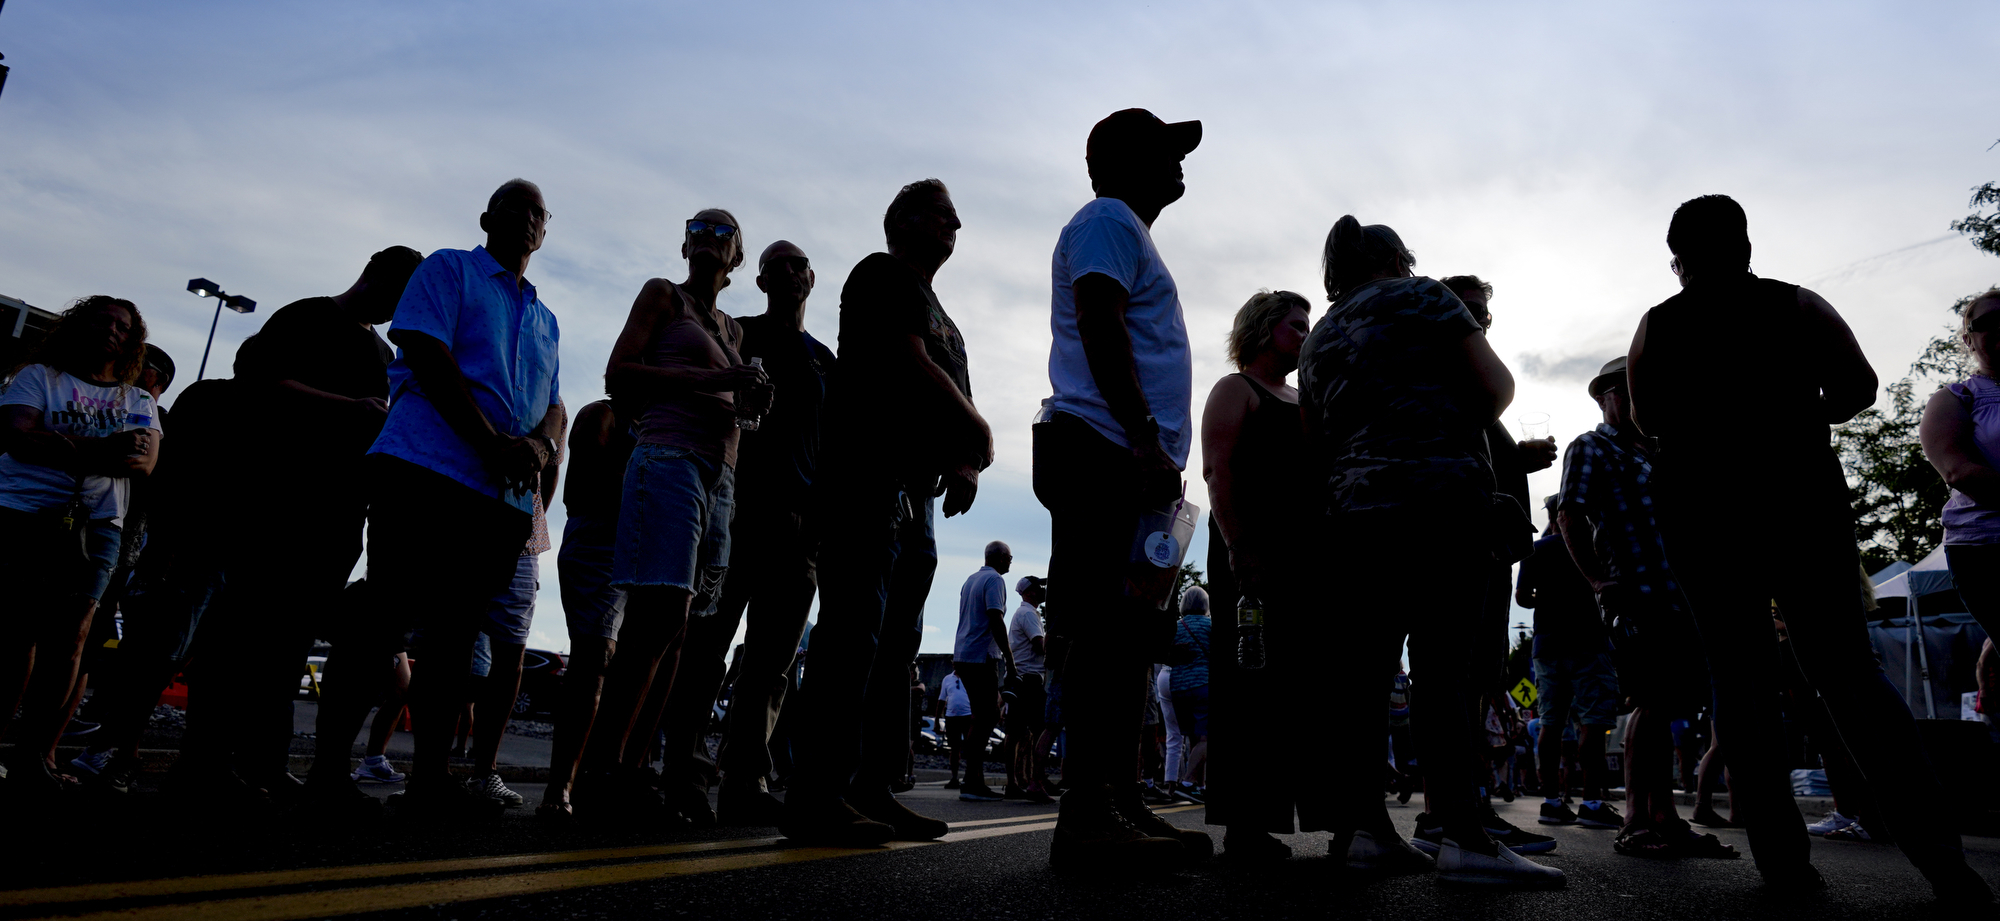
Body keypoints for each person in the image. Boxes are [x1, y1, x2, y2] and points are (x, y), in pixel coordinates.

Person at [1629, 194, 1988, 901]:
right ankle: (1942, 859)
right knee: (1849, 671)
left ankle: (1783, 863)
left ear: (1679, 259)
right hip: (1797, 492)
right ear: (1747, 245)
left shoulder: (1656, 325)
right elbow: (1858, 386)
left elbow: (1646, 419)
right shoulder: (1797, 305)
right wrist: (1793, 414)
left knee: (1738, 675)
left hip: (1699, 505)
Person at [1298, 216, 1561, 886]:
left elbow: (1316, 439)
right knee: (1444, 670)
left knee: (1368, 675)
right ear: (1395, 260)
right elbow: (1496, 388)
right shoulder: (1423, 297)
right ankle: (1465, 838)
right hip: (1441, 501)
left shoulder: (1320, 336)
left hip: (1354, 515)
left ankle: (1366, 832)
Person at [304, 180, 564, 819]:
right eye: (514, 205)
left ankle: (428, 779)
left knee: (454, 641)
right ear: (486, 217)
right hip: (426, 469)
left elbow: (554, 405)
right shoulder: (450, 269)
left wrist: (538, 449)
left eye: (538, 212)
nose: (527, 218)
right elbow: (423, 348)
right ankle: (330, 769)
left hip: (496, 496)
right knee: (383, 617)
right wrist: (492, 440)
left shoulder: (545, 317)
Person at [780, 179, 991, 846]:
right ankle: (816, 792)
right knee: (852, 632)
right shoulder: (882, 275)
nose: (954, 222)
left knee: (895, 644)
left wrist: (961, 459)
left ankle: (872, 787)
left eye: (956, 216)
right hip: (862, 474)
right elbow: (907, 358)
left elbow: (945, 381)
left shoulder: (945, 315)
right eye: (940, 212)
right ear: (900, 220)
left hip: (914, 494)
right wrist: (974, 428)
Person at [1034, 108, 1213, 870]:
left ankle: (1121, 798)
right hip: (1105, 449)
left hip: (1131, 465)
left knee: (1132, 635)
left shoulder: (1129, 231)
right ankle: (1085, 814)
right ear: (1122, 161)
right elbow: (1100, 323)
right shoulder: (1108, 219)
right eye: (1167, 152)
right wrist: (1143, 433)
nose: (1180, 165)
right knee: (1105, 632)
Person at [185, 245, 424, 802]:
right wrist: (351, 409)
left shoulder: (381, 350)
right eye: (398, 292)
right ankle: (203, 764)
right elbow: (260, 385)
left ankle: (263, 763)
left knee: (287, 645)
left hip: (336, 515)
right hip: (273, 503)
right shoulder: (305, 317)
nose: (399, 308)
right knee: (239, 633)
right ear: (373, 271)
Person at [584, 207, 767, 823]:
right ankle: (600, 773)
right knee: (656, 615)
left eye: (725, 231)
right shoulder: (665, 297)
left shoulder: (733, 331)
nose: (710, 237)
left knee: (684, 627)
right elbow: (619, 374)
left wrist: (746, 396)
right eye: (701, 228)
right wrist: (708, 380)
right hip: (669, 458)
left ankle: (636, 772)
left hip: (722, 479)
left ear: (738, 256)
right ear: (685, 242)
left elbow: (736, 402)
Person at [1558, 357, 1733, 858]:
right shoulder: (1593, 446)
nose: (1637, 400)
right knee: (1652, 699)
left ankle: (1665, 818)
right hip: (1635, 592)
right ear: (1605, 397)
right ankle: (1636, 819)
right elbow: (1570, 511)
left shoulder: (1659, 453)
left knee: (1672, 701)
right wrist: (1596, 579)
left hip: (1681, 596)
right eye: (1627, 390)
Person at [0, 295, 160, 791]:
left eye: (123, 326)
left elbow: (142, 466)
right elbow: (16, 437)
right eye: (103, 320)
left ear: (132, 340)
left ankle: (32, 758)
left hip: (98, 526)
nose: (112, 331)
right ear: (79, 324)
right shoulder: (38, 377)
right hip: (24, 515)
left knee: (69, 643)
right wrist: (103, 450)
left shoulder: (138, 400)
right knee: (12, 637)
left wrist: (60, 443)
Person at [704, 240, 837, 825]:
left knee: (772, 663)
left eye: (798, 263)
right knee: (707, 646)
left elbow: (834, 450)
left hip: (800, 529)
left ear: (811, 278)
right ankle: (681, 768)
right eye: (775, 265)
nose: (789, 271)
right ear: (759, 282)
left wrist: (819, 518)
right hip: (736, 518)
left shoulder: (824, 361)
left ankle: (745, 779)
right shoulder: (739, 335)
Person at [1199, 287, 1326, 862]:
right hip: (1249, 557)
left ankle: (1286, 816)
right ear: (1263, 329)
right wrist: (1238, 546)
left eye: (1307, 326)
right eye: (1295, 326)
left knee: (1295, 685)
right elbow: (1217, 471)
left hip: (1302, 561)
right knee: (1247, 683)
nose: (1304, 334)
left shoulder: (1303, 397)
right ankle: (1243, 826)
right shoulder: (1235, 389)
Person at [539, 397, 635, 820]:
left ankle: (605, 776)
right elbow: (581, 490)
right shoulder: (603, 415)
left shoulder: (660, 425)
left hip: (642, 542)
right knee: (595, 656)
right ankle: (560, 787)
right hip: (600, 537)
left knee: (634, 662)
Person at [465, 402, 564, 807]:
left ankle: (483, 771)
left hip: (520, 521)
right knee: (452, 634)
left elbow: (555, 463)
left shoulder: (553, 400)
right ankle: (430, 771)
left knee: (511, 650)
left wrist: (533, 516)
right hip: (467, 504)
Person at [1513, 498, 1620, 828]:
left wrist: (1545, 598)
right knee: (1592, 721)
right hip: (1587, 642)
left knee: (1551, 722)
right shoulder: (1594, 547)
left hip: (1547, 645)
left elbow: (1521, 598)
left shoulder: (1536, 549)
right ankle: (1590, 802)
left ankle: (1551, 802)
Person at [953, 541, 1018, 802]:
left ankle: (972, 779)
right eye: (1009, 557)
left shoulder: (971, 579)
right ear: (1000, 558)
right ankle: (972, 782)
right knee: (987, 716)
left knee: (980, 717)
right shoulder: (994, 581)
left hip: (963, 653)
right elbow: (995, 618)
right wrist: (1010, 661)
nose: (1011, 561)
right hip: (981, 656)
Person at [1006, 575, 1053, 803]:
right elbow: (1040, 645)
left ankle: (1014, 782)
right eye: (1040, 587)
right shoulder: (1028, 614)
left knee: (1015, 732)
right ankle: (1036, 780)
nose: (1044, 590)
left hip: (1021, 678)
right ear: (1030, 592)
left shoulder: (1022, 613)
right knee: (1040, 730)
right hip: (1030, 680)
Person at [1166, 587, 1212, 798]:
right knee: (1206, 738)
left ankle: (1199, 787)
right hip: (1203, 685)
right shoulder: (1210, 625)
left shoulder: (1175, 628)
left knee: (1194, 739)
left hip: (1178, 688)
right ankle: (1185, 783)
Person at [938, 665, 972, 789]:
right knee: (954, 748)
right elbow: (942, 699)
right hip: (952, 717)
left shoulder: (970, 677)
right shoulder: (947, 679)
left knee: (970, 748)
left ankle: (970, 776)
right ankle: (954, 777)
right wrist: (937, 719)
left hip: (968, 716)